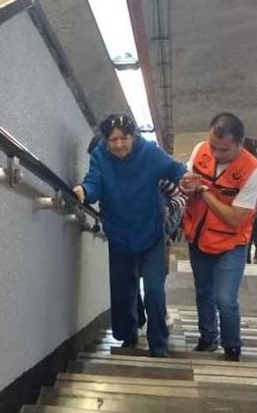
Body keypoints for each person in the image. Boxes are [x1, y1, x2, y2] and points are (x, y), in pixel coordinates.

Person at [74, 115, 185, 357]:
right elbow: (94, 183)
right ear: (106, 140)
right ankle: (129, 335)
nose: (119, 144)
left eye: (123, 138)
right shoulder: (100, 157)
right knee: (123, 291)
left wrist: (186, 178)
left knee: (154, 290)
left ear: (133, 136)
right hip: (120, 234)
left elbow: (175, 170)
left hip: (151, 232)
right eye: (112, 139)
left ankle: (159, 345)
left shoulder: (149, 152)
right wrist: (84, 191)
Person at [179, 113, 257, 362]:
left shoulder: (253, 172)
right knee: (203, 291)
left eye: (223, 149)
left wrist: (204, 190)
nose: (215, 154)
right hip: (198, 236)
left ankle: (232, 346)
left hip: (230, 243)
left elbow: (235, 218)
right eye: (213, 146)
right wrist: (186, 184)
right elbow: (185, 184)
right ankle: (207, 339)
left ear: (240, 144)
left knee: (225, 299)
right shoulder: (201, 150)